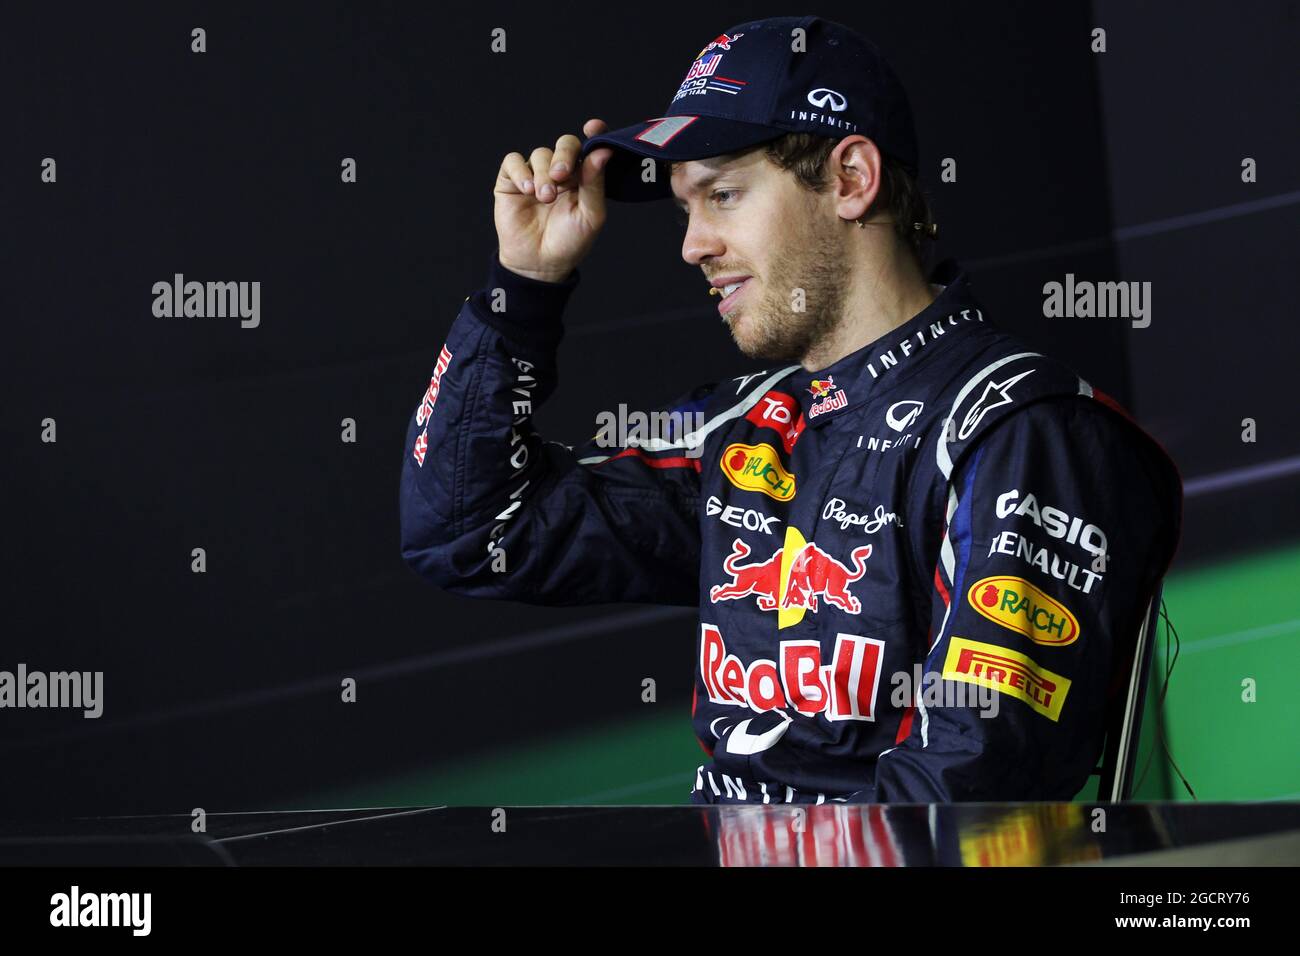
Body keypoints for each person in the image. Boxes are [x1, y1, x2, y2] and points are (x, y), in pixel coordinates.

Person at [399, 15, 1182, 804]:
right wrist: (522, 292)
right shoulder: (746, 433)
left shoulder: (1016, 430)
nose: (692, 246)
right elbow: (469, 532)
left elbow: (964, 795)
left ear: (849, 178)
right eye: (684, 210)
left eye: (724, 196)